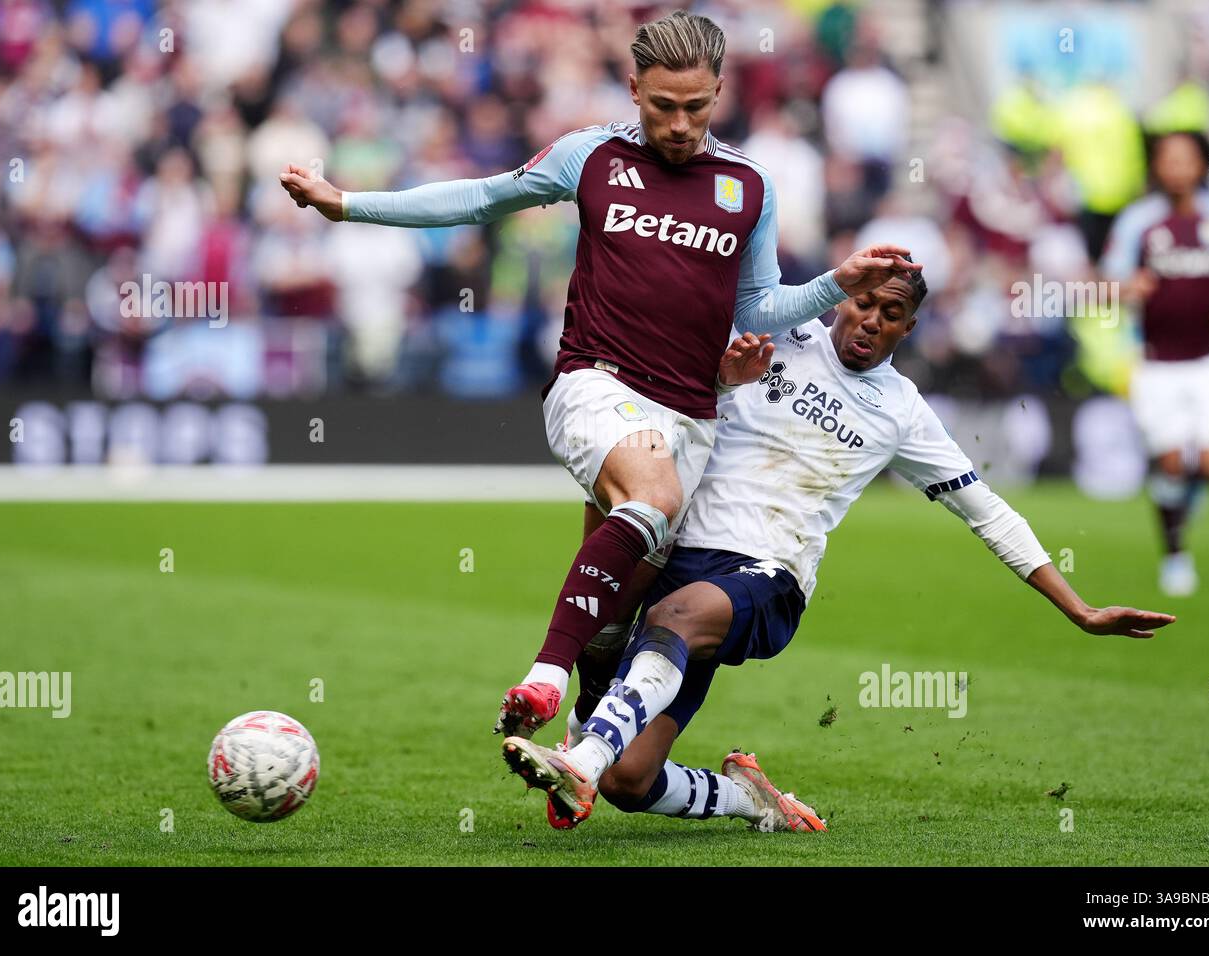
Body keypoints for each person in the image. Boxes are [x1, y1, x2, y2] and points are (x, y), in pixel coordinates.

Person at [279, 10, 920, 739]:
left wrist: (837, 281)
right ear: (632, 88)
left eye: (697, 107)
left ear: (720, 91)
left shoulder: (748, 186)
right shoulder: (591, 157)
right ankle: (544, 680)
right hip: (597, 381)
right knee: (650, 498)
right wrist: (349, 205)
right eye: (662, 106)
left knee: (620, 603)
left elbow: (761, 308)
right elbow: (482, 196)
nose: (680, 125)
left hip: (691, 416)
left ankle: (586, 732)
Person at [503, 263, 1175, 830]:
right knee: (632, 782)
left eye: (892, 312)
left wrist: (1079, 609)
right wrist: (724, 378)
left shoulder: (903, 410)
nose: (872, 319)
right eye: (863, 302)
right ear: (839, 297)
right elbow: (676, 403)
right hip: (684, 560)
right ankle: (751, 801)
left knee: (668, 621)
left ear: (909, 328)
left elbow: (987, 513)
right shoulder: (775, 333)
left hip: (769, 577)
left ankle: (580, 760)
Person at [1101, 130, 1209, 596]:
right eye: (1169, 160)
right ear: (1156, 167)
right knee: (1169, 461)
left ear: (1204, 165)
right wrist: (1129, 288)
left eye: (1186, 159)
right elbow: (1108, 285)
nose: (1177, 169)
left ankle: (1187, 501)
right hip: (1157, 362)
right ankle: (1175, 555)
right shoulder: (1136, 222)